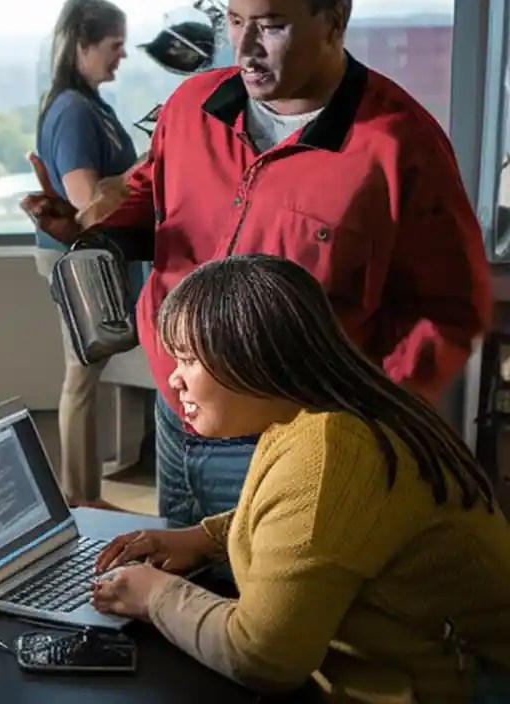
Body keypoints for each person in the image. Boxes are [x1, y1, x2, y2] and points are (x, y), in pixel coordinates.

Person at [22, 0, 491, 528]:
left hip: (291, 446)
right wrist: (84, 225)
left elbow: (447, 308)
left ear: (333, 22)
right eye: (236, 22)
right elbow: (155, 202)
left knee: (264, 588)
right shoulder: (190, 108)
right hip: (178, 420)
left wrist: (369, 425)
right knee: (176, 576)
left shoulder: (400, 144)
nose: (245, 48)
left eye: (270, 27)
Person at [91, 254, 510, 702]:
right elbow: (320, 526)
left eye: (189, 359)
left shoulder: (331, 451)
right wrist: (204, 538)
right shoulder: (325, 413)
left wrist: (154, 595)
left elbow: (263, 657)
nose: (175, 379)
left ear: (251, 354)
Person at [31, 0, 142, 508]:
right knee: (80, 377)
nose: (123, 55)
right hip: (78, 259)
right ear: (83, 44)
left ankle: (84, 495)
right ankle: (79, 499)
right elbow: (86, 200)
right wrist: (140, 176)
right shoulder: (73, 111)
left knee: (84, 377)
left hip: (93, 255)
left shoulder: (92, 106)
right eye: (115, 45)